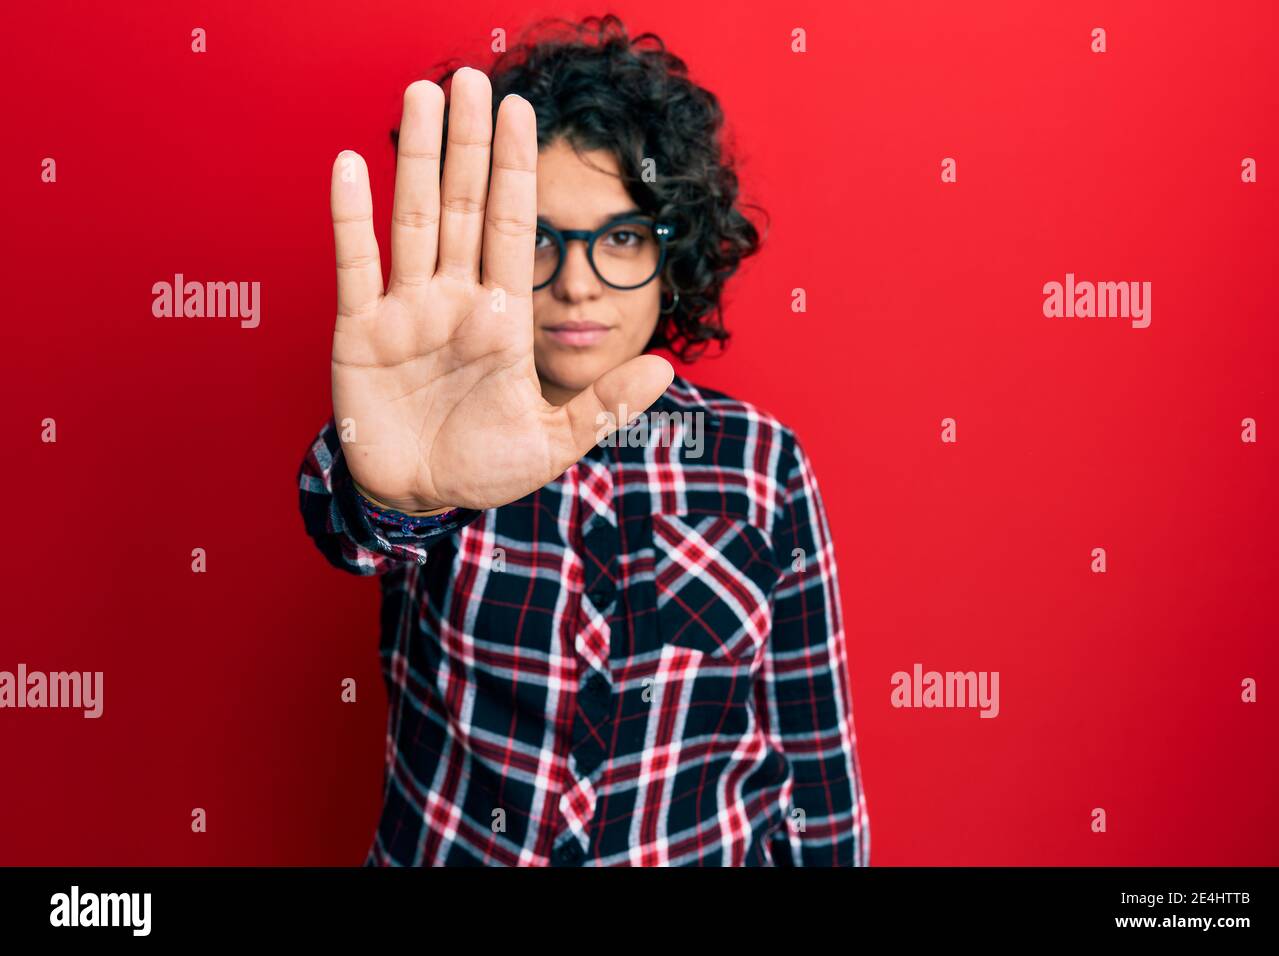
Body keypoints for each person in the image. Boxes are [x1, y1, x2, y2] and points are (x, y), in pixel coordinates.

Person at [298, 14, 869, 866]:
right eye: (536, 236)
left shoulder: (763, 465)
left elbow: (815, 762)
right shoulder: (437, 438)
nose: (574, 283)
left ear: (674, 257)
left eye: (622, 237)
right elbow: (354, 532)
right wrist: (394, 498)